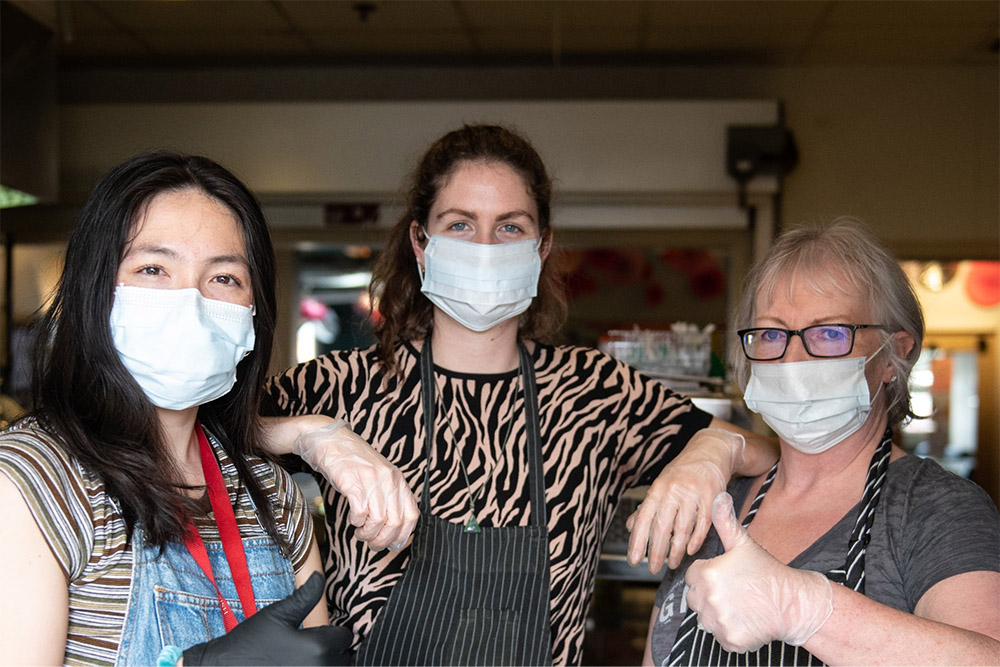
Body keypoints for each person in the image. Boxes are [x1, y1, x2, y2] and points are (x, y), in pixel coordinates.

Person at [262, 123, 778, 666]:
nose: (484, 247)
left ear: (542, 246)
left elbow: (767, 457)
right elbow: (199, 436)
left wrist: (714, 452)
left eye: (509, 228)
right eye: (460, 224)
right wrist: (313, 434)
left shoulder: (597, 393)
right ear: (421, 241)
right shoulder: (343, 386)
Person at [0, 151, 360, 665]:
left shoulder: (270, 493)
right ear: (95, 290)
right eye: (153, 269)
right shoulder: (31, 482)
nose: (189, 304)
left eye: (224, 279)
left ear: (254, 315)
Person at [644, 218, 1000, 666]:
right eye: (771, 334)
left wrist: (804, 608)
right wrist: (716, 447)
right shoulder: (716, 504)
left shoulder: (934, 509)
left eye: (829, 333)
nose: (792, 359)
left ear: (894, 355)